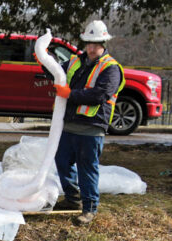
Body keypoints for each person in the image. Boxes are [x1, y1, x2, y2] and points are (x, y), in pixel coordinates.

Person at [52, 20, 124, 225]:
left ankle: (89, 208)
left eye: (96, 44)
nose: (92, 48)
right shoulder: (76, 61)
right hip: (69, 124)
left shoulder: (111, 68)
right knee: (62, 162)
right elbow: (56, 71)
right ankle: (72, 198)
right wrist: (44, 60)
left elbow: (99, 95)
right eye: (89, 44)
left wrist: (70, 94)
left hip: (92, 127)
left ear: (103, 44)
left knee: (87, 168)